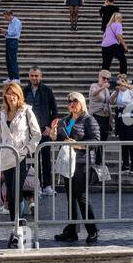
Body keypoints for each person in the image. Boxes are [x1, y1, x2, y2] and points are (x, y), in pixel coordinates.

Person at [49, 92, 100, 244]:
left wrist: (76, 144)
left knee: (81, 198)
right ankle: (71, 231)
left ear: (82, 103)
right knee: (71, 198)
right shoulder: (67, 120)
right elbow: (60, 137)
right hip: (68, 163)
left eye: (75, 101)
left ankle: (92, 230)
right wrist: (53, 134)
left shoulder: (89, 119)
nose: (71, 104)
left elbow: (96, 140)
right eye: (69, 101)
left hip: (82, 163)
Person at [0, 81, 41, 243]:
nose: (11, 96)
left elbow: (37, 134)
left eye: (14, 94)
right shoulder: (1, 114)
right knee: (10, 195)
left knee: (16, 191)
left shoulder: (26, 111)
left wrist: (27, 149)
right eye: (8, 93)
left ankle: (20, 228)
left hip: (21, 157)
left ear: (18, 95)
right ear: (5, 95)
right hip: (6, 158)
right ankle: (16, 228)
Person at [26, 66, 58, 187]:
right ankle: (36, 185)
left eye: (36, 75)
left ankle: (48, 185)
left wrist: (50, 127)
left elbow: (54, 111)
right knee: (33, 160)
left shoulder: (47, 90)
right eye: (32, 75)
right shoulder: (24, 91)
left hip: (44, 130)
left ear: (41, 76)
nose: (34, 78)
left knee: (46, 159)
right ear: (29, 76)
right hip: (29, 132)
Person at [114, 74, 133, 176]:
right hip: (121, 119)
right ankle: (125, 164)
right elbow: (111, 101)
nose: (120, 83)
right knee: (123, 142)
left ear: (126, 81)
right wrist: (116, 91)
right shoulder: (117, 91)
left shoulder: (130, 90)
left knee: (131, 142)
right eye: (119, 81)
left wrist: (125, 85)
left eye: (122, 81)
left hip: (130, 118)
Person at [87, 69, 114, 170]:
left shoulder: (107, 89)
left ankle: (99, 162)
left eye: (107, 79)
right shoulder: (94, 86)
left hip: (105, 117)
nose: (105, 80)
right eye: (104, 78)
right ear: (99, 77)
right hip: (96, 116)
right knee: (94, 140)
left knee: (103, 141)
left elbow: (109, 101)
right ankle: (90, 161)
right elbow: (94, 94)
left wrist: (116, 92)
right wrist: (102, 87)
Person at [101, 10, 128, 75]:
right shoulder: (118, 25)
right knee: (123, 60)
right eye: (121, 17)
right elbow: (118, 35)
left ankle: (103, 79)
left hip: (104, 46)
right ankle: (123, 76)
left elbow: (103, 36)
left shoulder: (109, 25)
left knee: (106, 63)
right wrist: (124, 45)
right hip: (113, 45)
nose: (122, 19)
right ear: (118, 18)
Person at [4, 11, 22, 81]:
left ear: (10, 15)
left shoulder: (17, 22)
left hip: (13, 41)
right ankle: (11, 76)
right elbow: (10, 33)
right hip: (9, 40)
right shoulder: (10, 23)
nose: (6, 19)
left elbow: (15, 32)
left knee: (12, 59)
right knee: (8, 59)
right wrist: (5, 33)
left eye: (6, 17)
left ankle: (16, 77)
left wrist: (6, 32)